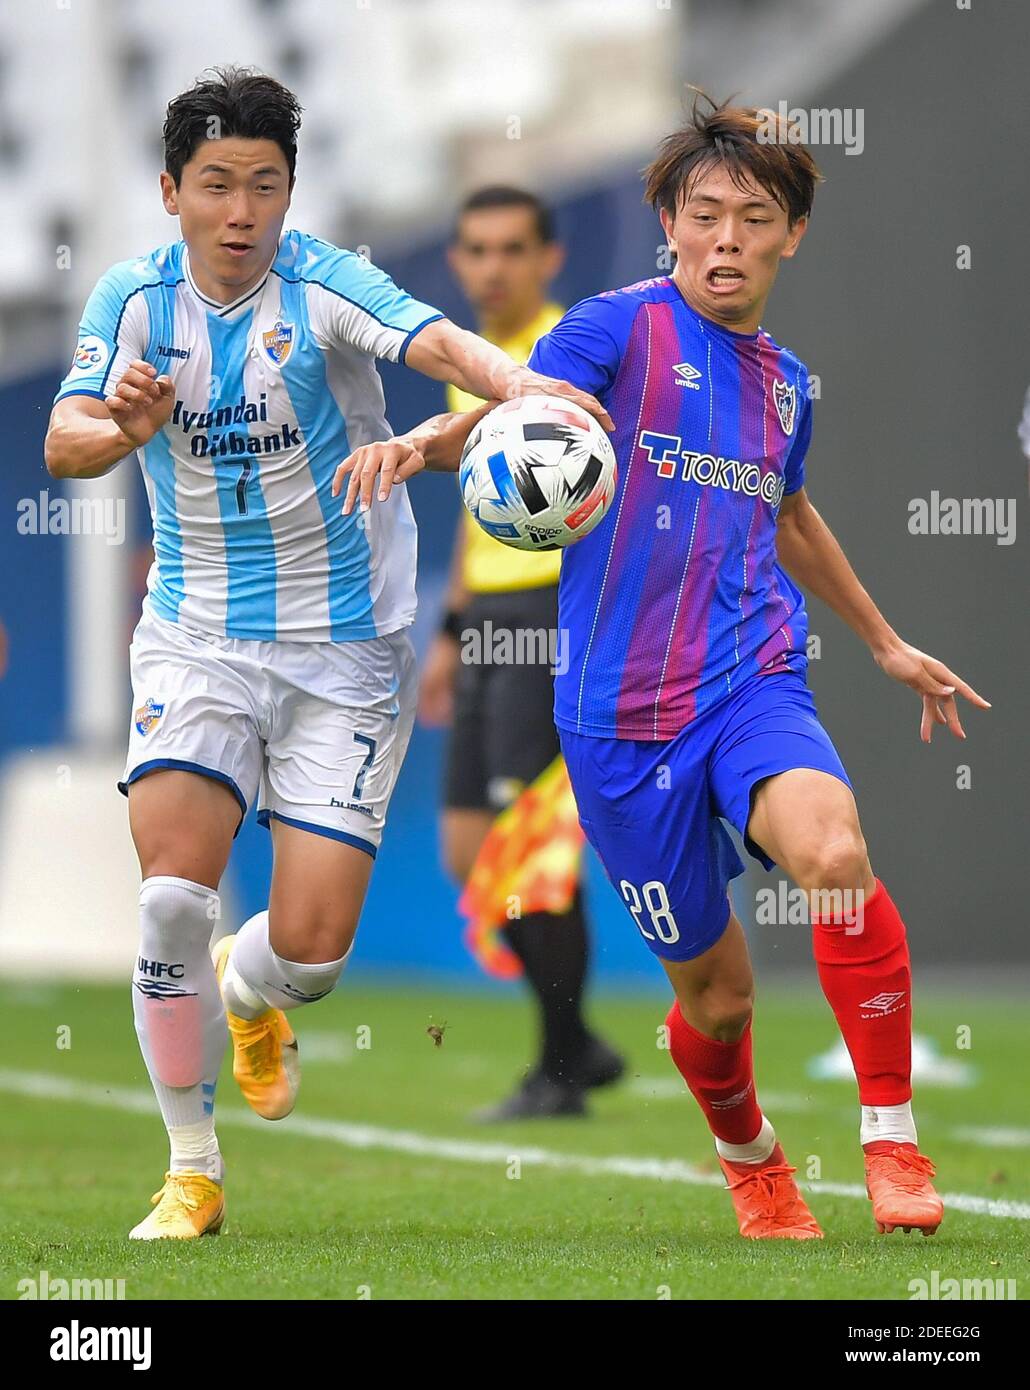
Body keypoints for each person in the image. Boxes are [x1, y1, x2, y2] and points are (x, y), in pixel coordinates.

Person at [336, 93, 990, 1240]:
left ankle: (892, 1143)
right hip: (614, 722)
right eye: (704, 214)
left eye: (752, 216)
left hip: (750, 683)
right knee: (717, 1000)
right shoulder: (614, 330)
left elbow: (790, 516)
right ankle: (750, 1160)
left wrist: (885, 642)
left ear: (791, 234)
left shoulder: (787, 385)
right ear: (670, 224)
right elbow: (515, 410)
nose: (726, 237)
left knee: (833, 852)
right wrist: (422, 443)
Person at [43, 65, 609, 1240]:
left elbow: (442, 343)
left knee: (309, 954)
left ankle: (255, 998)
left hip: (346, 647)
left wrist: (525, 390)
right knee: (166, 903)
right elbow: (64, 438)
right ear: (170, 190)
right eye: (215, 186)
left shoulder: (325, 281)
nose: (240, 212)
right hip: (196, 634)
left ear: (291, 190)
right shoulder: (133, 301)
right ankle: (191, 1167)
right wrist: (120, 428)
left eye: (263, 185)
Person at [419, 186, 623, 1119]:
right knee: (472, 851)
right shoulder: (469, 363)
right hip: (487, 622)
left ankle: (559, 1067)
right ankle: (576, 1042)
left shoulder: (569, 359)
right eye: (475, 249)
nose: (491, 266)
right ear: (457, 261)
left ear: (549, 258)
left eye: (511, 249)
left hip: (548, 616)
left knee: (529, 846)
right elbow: (481, 515)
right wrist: (450, 633)